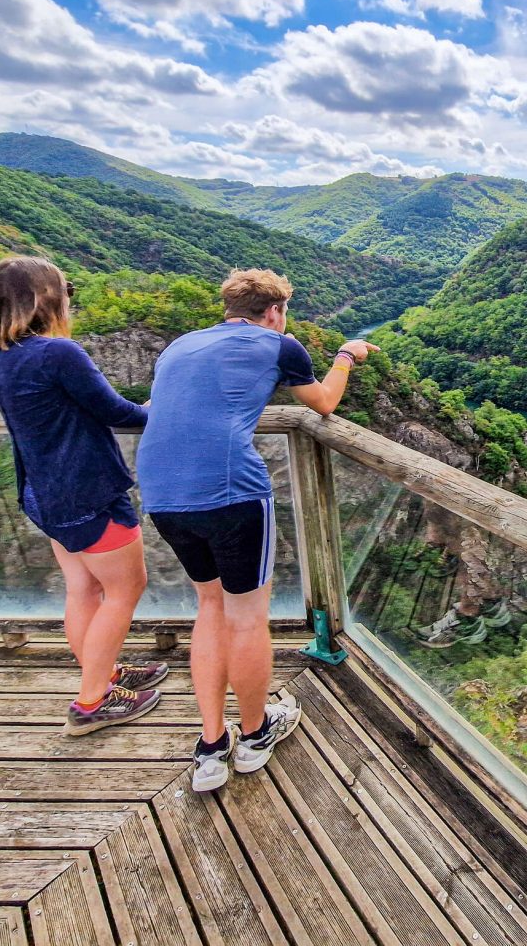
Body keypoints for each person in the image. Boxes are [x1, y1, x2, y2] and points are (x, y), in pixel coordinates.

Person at [136, 269, 377, 792]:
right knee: (246, 618)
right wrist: (345, 356)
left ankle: (210, 744)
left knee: (210, 608)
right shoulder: (279, 344)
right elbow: (324, 403)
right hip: (232, 491)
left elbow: (165, 408)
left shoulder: (179, 346)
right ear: (274, 312)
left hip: (161, 491)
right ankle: (254, 735)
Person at [0, 256, 166, 735]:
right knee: (126, 589)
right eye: (65, 290)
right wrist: (160, 406)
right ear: (44, 298)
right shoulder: (58, 354)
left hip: (45, 493)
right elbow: (117, 413)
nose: (68, 298)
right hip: (88, 492)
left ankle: (102, 675)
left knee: (84, 588)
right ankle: (90, 703)